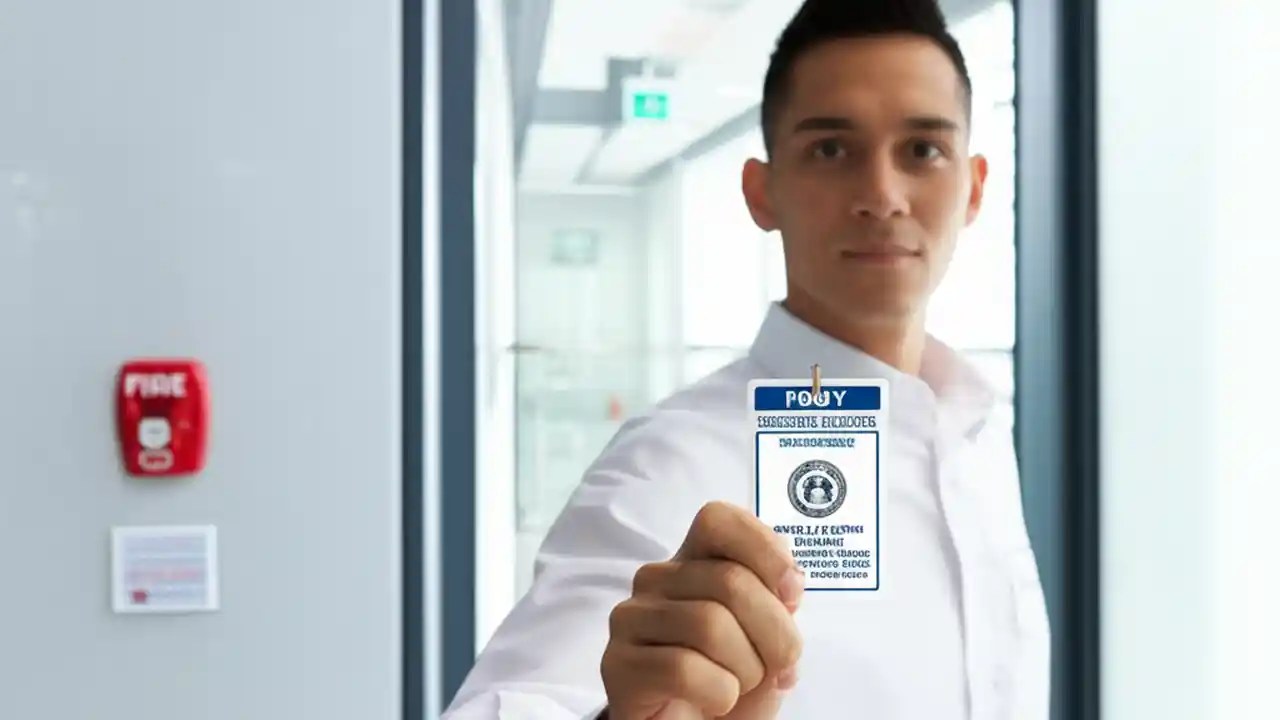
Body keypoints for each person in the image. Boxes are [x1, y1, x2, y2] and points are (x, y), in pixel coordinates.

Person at [444, 0, 1049, 717]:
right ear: (762, 192)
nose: (882, 196)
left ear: (974, 186)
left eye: (922, 151)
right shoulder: (674, 461)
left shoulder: (974, 432)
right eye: (832, 149)